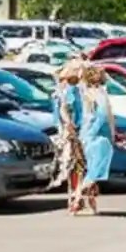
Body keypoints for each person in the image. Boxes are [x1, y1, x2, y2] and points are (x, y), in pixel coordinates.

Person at [74, 64, 117, 216]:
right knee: (96, 167)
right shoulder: (101, 94)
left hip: (85, 133)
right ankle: (82, 192)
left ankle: (85, 203)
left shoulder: (84, 93)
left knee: (87, 166)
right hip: (98, 133)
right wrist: (113, 133)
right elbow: (106, 115)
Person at [49, 60, 86, 213]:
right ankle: (76, 198)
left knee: (72, 165)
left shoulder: (58, 92)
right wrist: (71, 126)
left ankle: (74, 197)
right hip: (73, 131)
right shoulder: (71, 91)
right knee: (77, 165)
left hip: (64, 130)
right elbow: (68, 110)